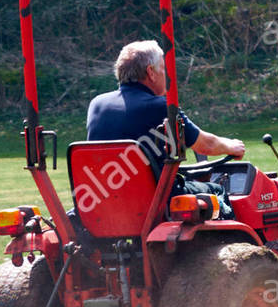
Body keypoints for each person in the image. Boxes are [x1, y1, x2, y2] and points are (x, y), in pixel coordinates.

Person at [86, 40, 244, 217]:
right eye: (163, 68)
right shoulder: (160, 107)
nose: (167, 75)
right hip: (155, 202)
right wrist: (231, 146)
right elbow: (205, 145)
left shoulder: (97, 105)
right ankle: (239, 243)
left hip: (102, 201)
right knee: (217, 191)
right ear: (150, 72)